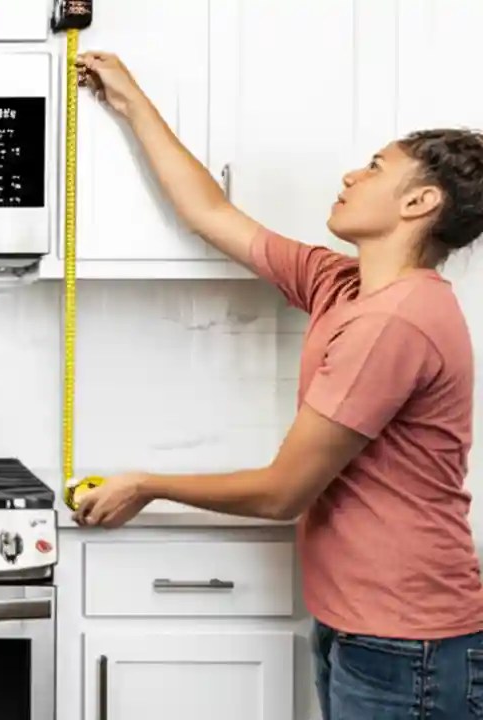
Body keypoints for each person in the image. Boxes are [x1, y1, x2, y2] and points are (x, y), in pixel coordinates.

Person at [71, 51, 483, 719]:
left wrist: (147, 485)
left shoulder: (396, 321)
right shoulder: (341, 284)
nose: (351, 174)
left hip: (410, 649)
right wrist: (129, 97)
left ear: (420, 201)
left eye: (375, 167)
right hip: (368, 630)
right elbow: (211, 214)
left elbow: (281, 492)